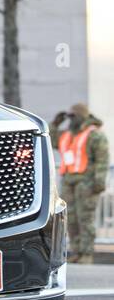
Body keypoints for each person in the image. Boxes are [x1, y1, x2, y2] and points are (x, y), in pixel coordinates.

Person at [50, 103, 110, 266]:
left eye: (73, 116)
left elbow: (102, 160)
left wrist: (99, 181)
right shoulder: (68, 134)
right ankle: (76, 252)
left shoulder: (94, 134)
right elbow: (52, 141)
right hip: (69, 181)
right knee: (71, 219)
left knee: (85, 218)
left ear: (82, 116)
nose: (71, 119)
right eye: (69, 116)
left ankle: (87, 253)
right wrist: (55, 124)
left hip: (87, 182)